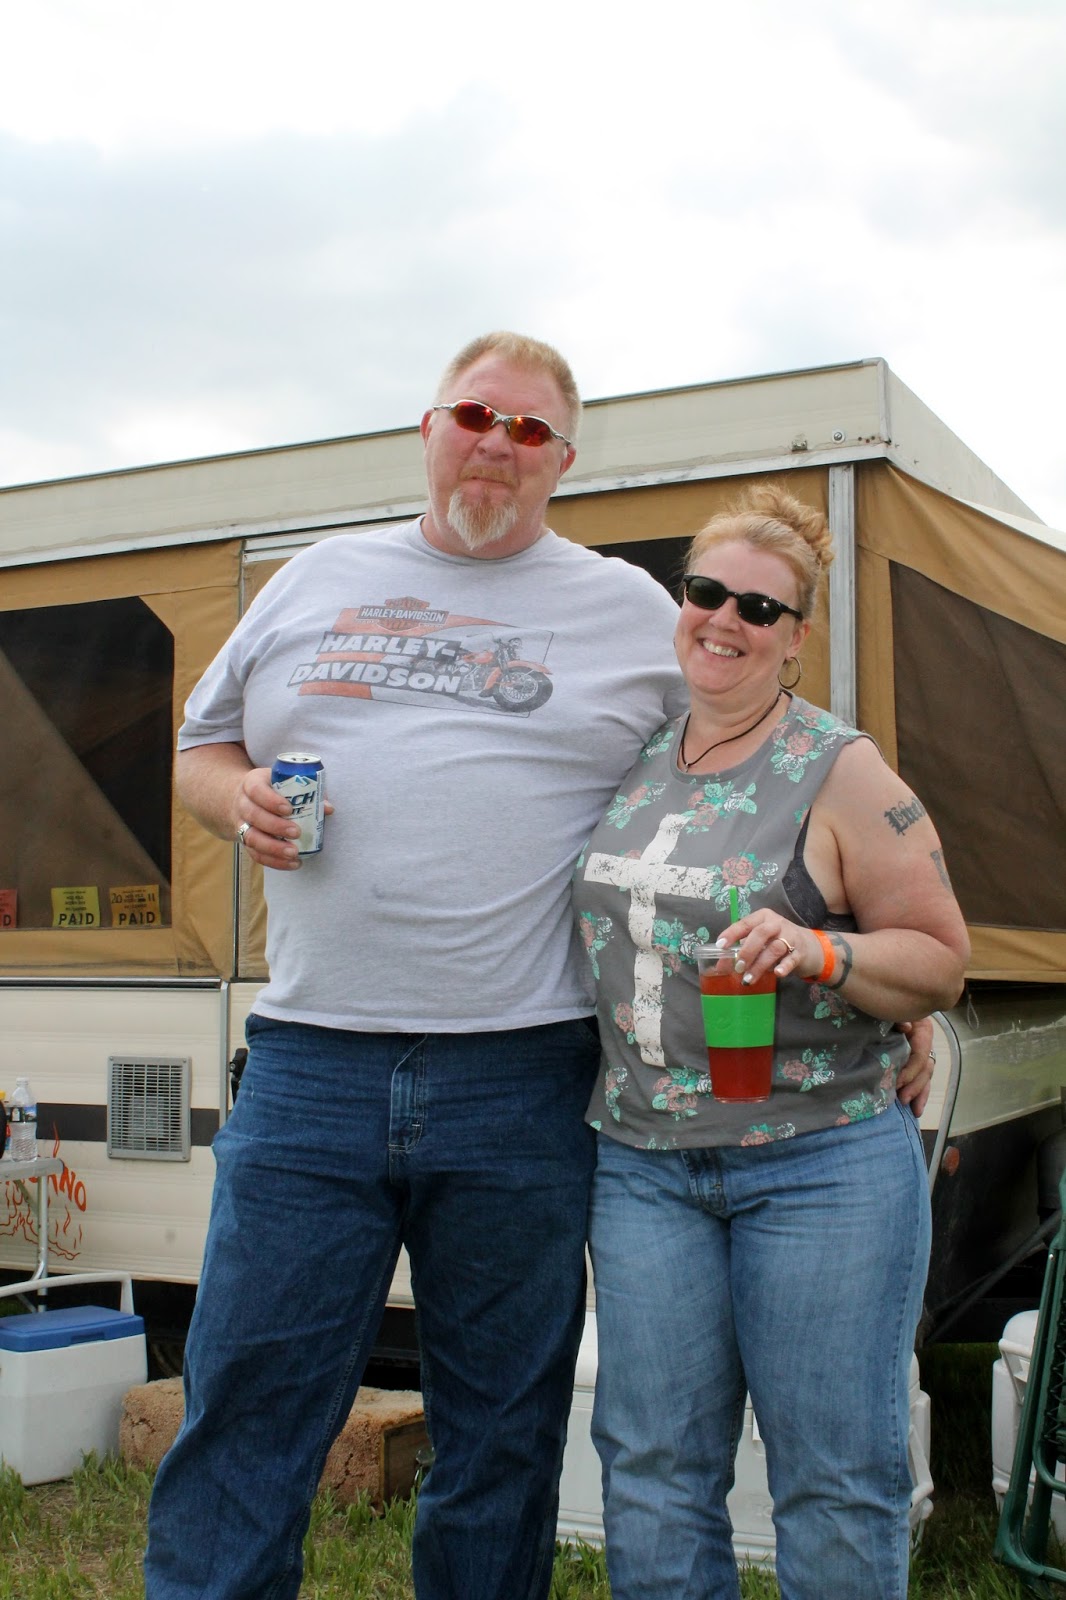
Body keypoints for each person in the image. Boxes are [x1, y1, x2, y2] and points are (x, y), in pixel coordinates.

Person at [144, 335, 936, 1600]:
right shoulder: (309, 581)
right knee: (248, 1403)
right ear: (428, 427)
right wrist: (234, 797)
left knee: (499, 1432)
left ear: (562, 460)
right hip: (311, 1064)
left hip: (522, 1078)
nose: (496, 445)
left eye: (528, 431)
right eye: (476, 416)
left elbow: (745, 785)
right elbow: (200, 748)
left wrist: (882, 971)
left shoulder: (632, 610)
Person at [572, 484, 969, 1600]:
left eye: (760, 606)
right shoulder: (638, 751)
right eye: (706, 592)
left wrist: (826, 953)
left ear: (795, 639)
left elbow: (939, 956)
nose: (724, 619)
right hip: (644, 1164)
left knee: (835, 1474)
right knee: (651, 1467)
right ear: (679, 599)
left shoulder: (840, 769)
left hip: (817, 1162)